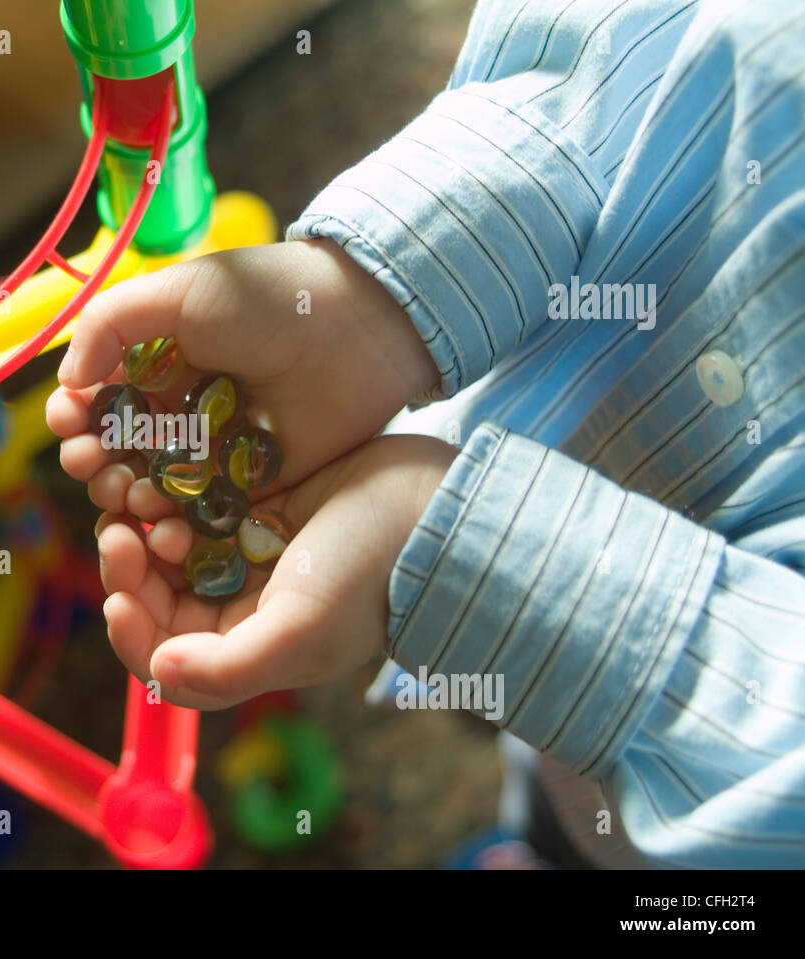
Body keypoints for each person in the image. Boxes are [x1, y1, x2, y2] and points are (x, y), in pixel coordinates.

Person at [46, 0, 805, 868]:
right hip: (567, 606)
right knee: (555, 771)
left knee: (612, 820)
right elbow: (639, 31)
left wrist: (442, 546)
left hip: (702, 834)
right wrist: (381, 295)